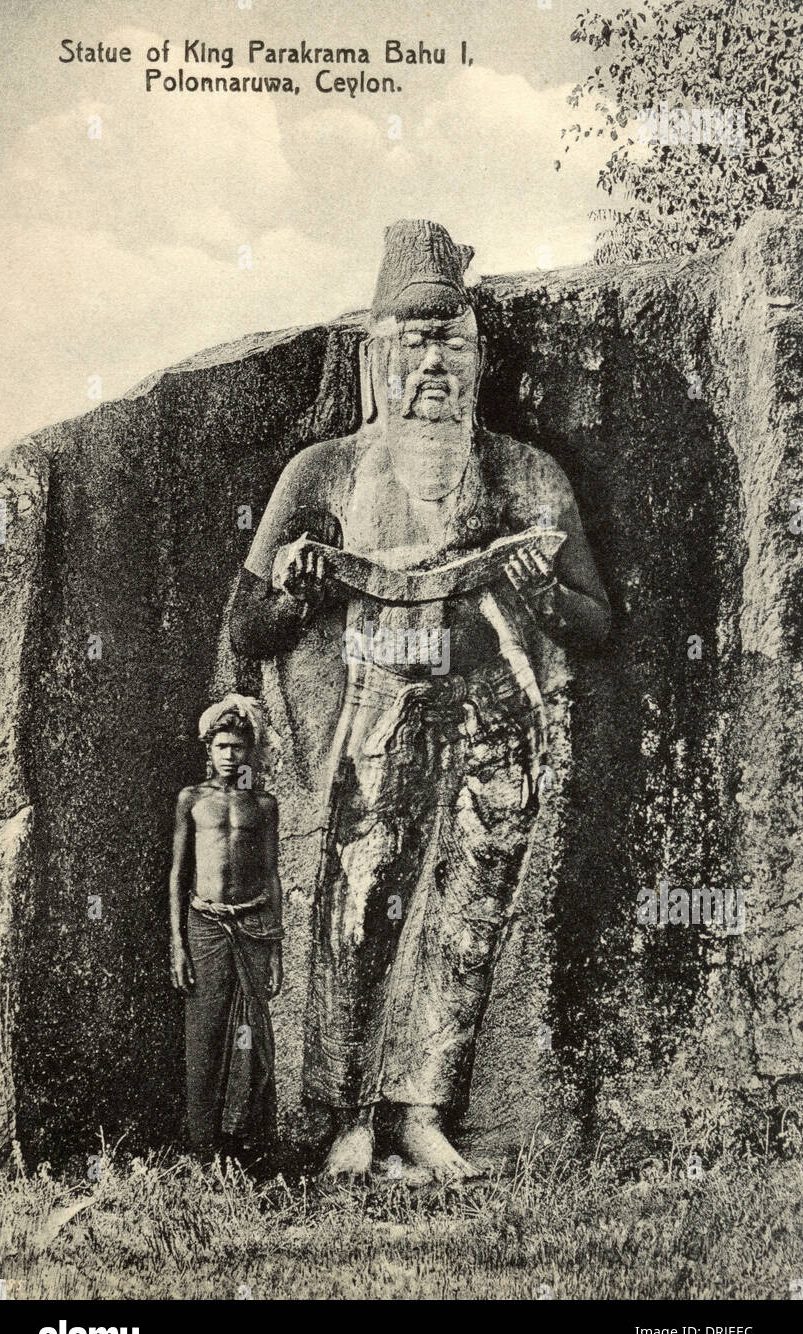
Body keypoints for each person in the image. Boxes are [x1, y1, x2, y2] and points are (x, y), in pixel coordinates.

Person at [230, 220, 610, 1179]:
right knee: (363, 900)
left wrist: (539, 593)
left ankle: (423, 1109)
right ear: (373, 361)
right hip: (382, 703)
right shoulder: (327, 472)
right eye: (412, 346)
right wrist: (301, 590)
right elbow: (249, 626)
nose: (433, 368)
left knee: (473, 910)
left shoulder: (527, 474)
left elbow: (593, 620)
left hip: (495, 711)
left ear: (479, 361)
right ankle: (348, 1112)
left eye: (453, 346)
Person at [169, 694, 283, 1163]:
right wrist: (178, 943)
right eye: (222, 747)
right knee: (206, 1033)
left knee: (253, 1036)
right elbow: (178, 874)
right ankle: (202, 1150)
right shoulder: (191, 800)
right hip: (206, 927)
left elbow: (272, 874)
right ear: (208, 750)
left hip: (254, 926)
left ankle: (250, 1150)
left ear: (249, 751)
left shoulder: (264, 805)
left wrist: (275, 948)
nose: (230, 756)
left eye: (238, 747)